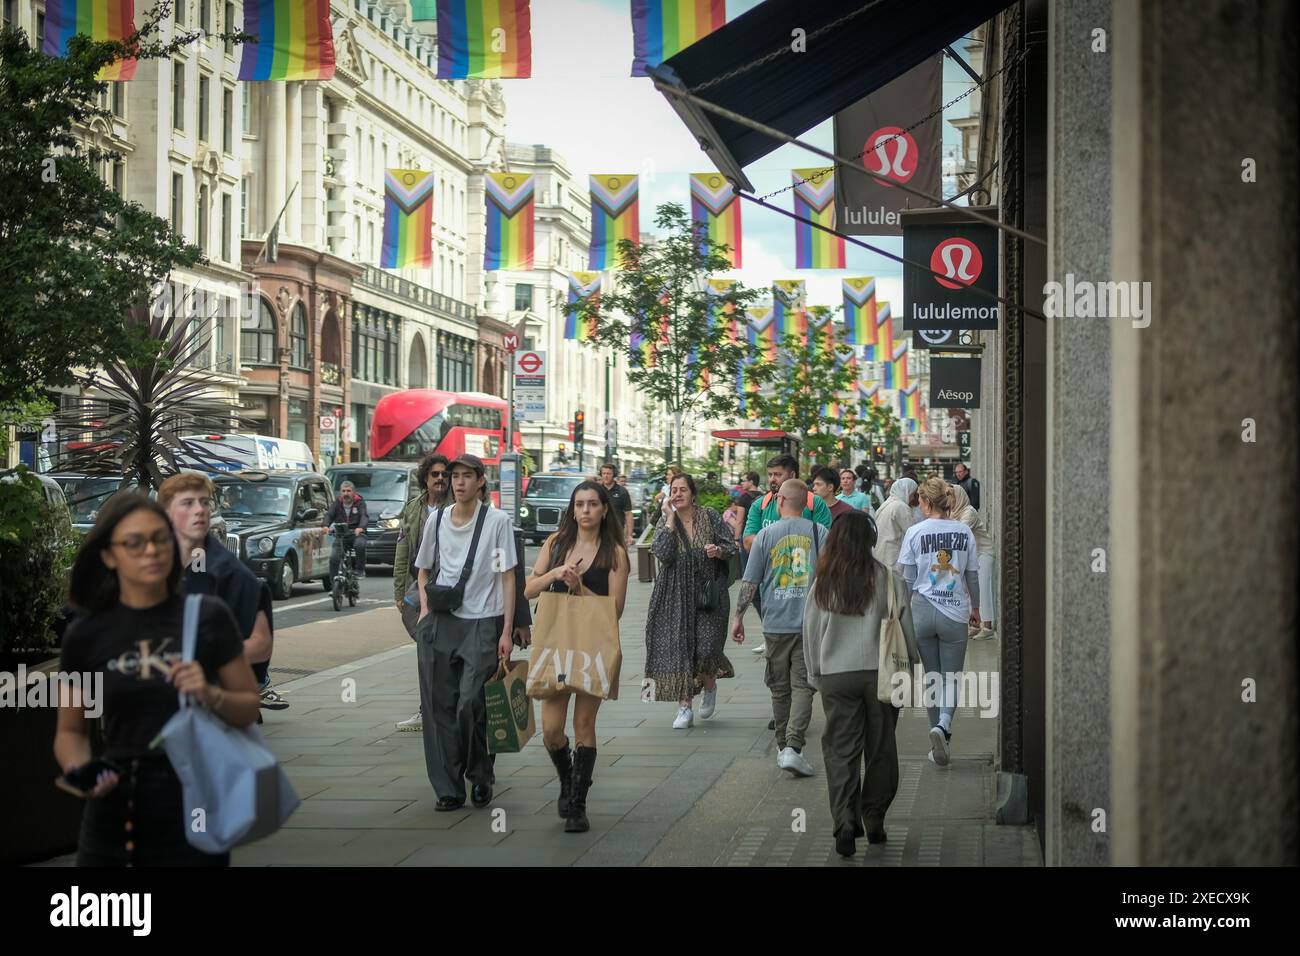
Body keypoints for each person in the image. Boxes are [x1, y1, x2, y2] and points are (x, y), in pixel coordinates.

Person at [55, 494, 260, 867]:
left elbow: (247, 707)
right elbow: (71, 732)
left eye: (160, 539)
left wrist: (210, 693)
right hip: (114, 806)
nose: (151, 551)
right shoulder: (86, 633)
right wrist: (81, 771)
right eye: (134, 543)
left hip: (192, 799)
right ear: (108, 555)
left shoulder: (207, 617)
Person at [803, 511, 919, 857]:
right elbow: (906, 629)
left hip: (836, 676)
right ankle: (875, 819)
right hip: (881, 674)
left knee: (841, 750)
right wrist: (910, 666)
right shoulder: (889, 579)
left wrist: (814, 674)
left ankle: (844, 823)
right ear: (871, 541)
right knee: (881, 748)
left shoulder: (823, 582)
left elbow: (810, 632)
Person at [413, 455, 517, 811]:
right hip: (441, 622)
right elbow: (423, 570)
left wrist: (507, 631)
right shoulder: (436, 518)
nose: (458, 482)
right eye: (454, 476)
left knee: (470, 703)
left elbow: (507, 577)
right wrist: (425, 610)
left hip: (482, 622)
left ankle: (481, 773)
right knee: (439, 707)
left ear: (480, 482)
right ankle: (449, 788)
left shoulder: (497, 521)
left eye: (466, 476)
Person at [525, 481, 630, 833]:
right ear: (572, 510)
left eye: (592, 504)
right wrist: (555, 573)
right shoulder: (555, 544)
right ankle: (569, 779)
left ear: (603, 510)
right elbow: (528, 589)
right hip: (555, 642)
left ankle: (577, 805)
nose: (585, 510)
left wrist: (578, 586)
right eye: (579, 504)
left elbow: (614, 610)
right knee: (552, 730)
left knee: (584, 725)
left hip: (591, 647)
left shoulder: (614, 552)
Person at [158, 472, 286, 713]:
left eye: (205, 502)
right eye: (188, 503)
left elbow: (261, 645)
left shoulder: (232, 575)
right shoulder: (150, 566)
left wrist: (200, 661)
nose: (200, 510)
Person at [732, 479, 826, 777]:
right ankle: (793, 748)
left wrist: (738, 617)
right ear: (805, 501)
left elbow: (750, 581)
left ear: (781, 501)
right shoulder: (819, 532)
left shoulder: (765, 535)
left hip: (774, 623)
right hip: (808, 623)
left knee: (779, 686)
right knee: (803, 685)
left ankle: (783, 744)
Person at [895, 478, 980, 768]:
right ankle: (943, 727)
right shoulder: (964, 531)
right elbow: (971, 576)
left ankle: (937, 740)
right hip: (954, 612)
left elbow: (906, 579)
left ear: (927, 502)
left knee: (932, 676)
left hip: (920, 610)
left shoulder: (914, 532)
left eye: (920, 500)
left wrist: (899, 612)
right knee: (952, 676)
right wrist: (976, 608)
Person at [645, 473, 738, 728]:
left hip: (708, 592)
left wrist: (718, 550)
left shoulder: (709, 516)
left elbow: (732, 546)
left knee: (707, 648)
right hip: (674, 593)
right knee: (681, 648)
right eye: (673, 490)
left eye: (682, 489)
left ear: (693, 494)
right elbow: (663, 554)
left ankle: (710, 686)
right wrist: (670, 518)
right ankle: (684, 707)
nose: (677, 494)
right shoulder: (667, 521)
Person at [391, 453, 450, 732]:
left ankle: (437, 708)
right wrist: (399, 593)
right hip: (420, 585)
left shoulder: (457, 507)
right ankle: (427, 709)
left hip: (448, 586)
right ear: (425, 479)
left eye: (444, 474)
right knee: (426, 647)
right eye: (435, 474)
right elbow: (402, 549)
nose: (440, 479)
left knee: (439, 651)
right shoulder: (414, 508)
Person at [950, 484, 996, 640]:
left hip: (984, 553)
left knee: (982, 589)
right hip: (971, 555)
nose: (948, 500)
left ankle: (987, 626)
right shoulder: (953, 512)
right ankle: (975, 624)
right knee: (969, 590)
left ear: (959, 497)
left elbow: (959, 532)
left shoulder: (969, 512)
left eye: (951, 497)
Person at [325, 480, 368, 579]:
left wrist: (360, 527)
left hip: (356, 534)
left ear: (353, 492)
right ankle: (333, 585)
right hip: (341, 535)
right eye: (343, 491)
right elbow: (329, 514)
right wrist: (325, 525)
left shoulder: (360, 503)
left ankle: (360, 570)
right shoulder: (337, 503)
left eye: (348, 491)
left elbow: (364, 516)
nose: (346, 494)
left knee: (360, 545)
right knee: (334, 558)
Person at [873, 477, 918, 570]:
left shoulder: (887, 503)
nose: (912, 497)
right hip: (891, 556)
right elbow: (912, 532)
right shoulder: (900, 506)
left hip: (879, 553)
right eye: (912, 494)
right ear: (906, 491)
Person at [598, 462, 635, 549]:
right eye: (604, 473)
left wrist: (629, 535)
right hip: (599, 531)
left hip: (617, 532)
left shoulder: (622, 492)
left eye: (608, 473)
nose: (606, 476)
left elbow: (628, 514)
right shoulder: (597, 490)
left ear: (613, 475)